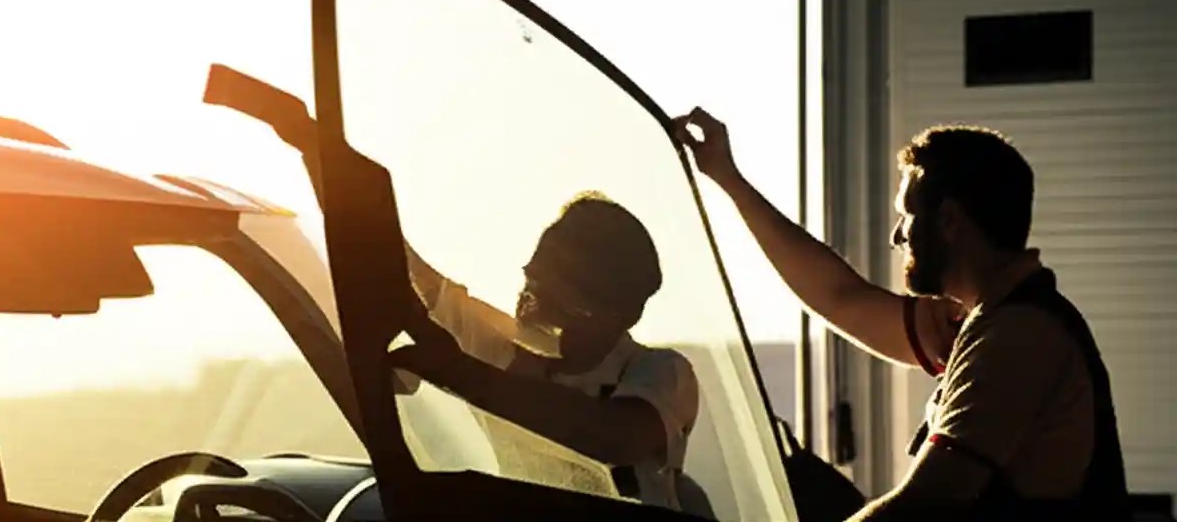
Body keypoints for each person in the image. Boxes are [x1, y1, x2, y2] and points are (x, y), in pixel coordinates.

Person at [674, 107, 1129, 520]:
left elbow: (924, 504)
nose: (897, 236)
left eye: (907, 216)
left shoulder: (1017, 337)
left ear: (950, 221)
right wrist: (728, 178)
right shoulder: (977, 322)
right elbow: (840, 297)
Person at [388, 192, 703, 513]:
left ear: (624, 316)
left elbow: (613, 438)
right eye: (533, 285)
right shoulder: (502, 351)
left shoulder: (661, 372)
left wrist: (459, 371)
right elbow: (416, 278)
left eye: (566, 303)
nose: (534, 310)